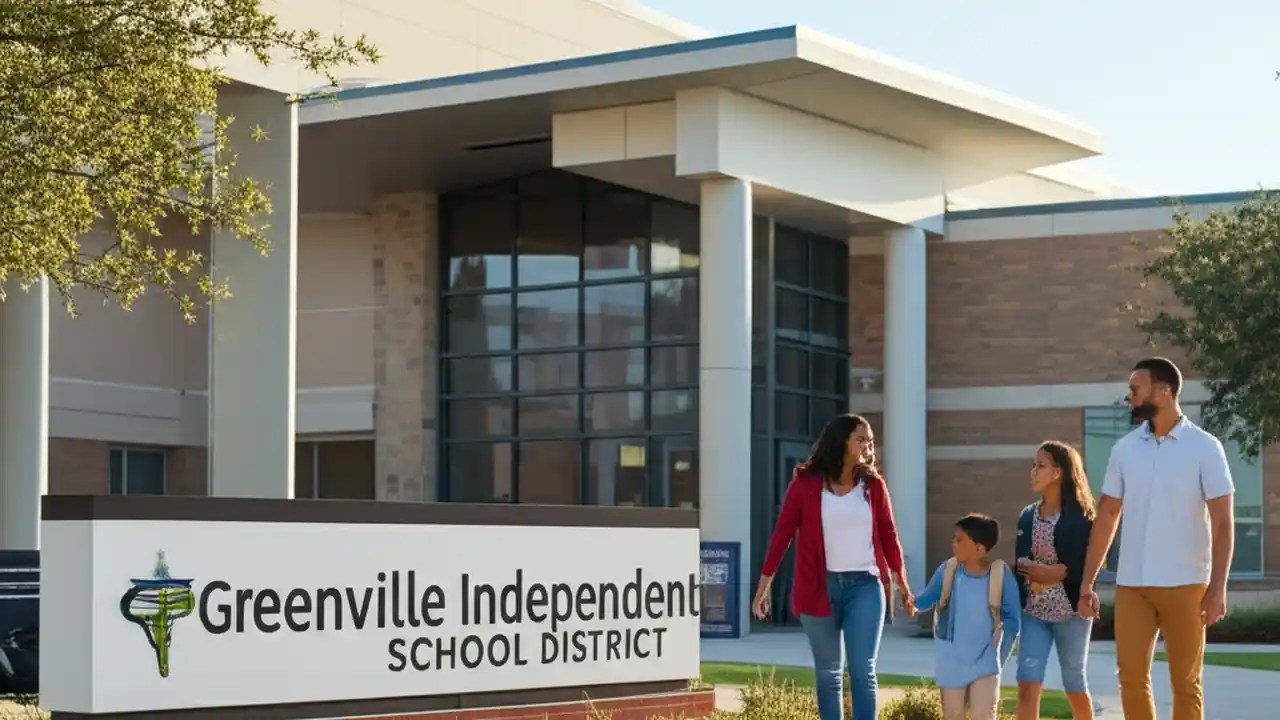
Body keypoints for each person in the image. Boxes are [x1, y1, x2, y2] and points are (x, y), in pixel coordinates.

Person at [1077, 357, 1235, 720]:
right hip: (1133, 586)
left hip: (1187, 585)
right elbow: (1106, 518)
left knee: (1186, 683)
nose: (1129, 397)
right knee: (1131, 679)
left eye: (1136, 389)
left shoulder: (1205, 448)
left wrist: (1218, 588)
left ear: (1164, 391)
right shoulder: (1125, 449)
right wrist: (1088, 582)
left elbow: (1223, 522)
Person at [752, 413, 913, 720]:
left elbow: (889, 535)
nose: (868, 445)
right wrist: (764, 585)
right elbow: (782, 534)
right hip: (818, 587)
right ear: (842, 441)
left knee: (863, 672)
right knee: (828, 674)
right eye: (861, 439)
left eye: (870, 440)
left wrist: (901, 582)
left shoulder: (873, 486)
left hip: (865, 586)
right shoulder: (805, 484)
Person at [1014, 441, 1097, 720]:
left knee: (1074, 681)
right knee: (1027, 682)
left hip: (1071, 612)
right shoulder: (1027, 516)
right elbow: (1021, 563)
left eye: (1040, 465)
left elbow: (1072, 569)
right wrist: (1040, 569)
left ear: (1058, 473)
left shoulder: (1081, 518)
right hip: (1033, 612)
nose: (1033, 471)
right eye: (1033, 465)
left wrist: (1047, 570)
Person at [910, 513, 1021, 720]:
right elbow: (923, 600)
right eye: (953, 538)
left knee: (984, 715)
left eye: (959, 540)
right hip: (951, 659)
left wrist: (999, 654)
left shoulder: (1000, 574)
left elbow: (1013, 620)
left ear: (979, 549)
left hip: (986, 661)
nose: (953, 543)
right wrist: (907, 602)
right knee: (952, 715)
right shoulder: (948, 570)